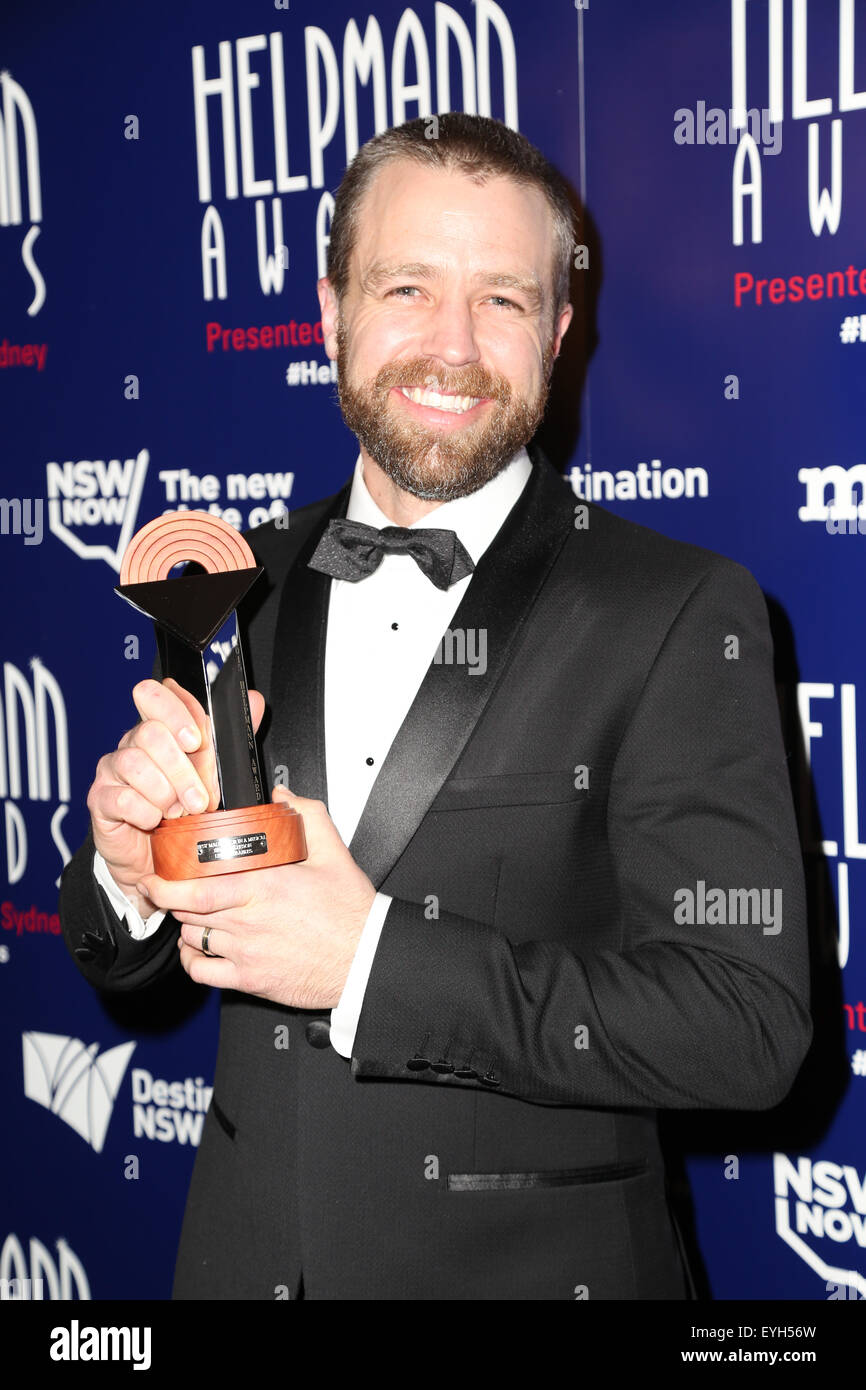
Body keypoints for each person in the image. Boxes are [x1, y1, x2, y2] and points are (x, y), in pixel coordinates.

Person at [60, 113, 811, 1301]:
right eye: (406, 286)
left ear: (558, 333)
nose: (451, 346)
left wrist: (368, 959)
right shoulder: (233, 577)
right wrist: (125, 870)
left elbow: (744, 1025)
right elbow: (140, 970)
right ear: (329, 312)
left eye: (503, 300)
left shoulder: (675, 609)